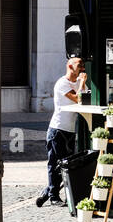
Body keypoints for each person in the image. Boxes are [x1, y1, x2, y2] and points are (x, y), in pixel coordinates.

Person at [36, 56, 87, 207]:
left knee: (66, 165)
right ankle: (53, 197)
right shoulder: (62, 83)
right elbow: (78, 99)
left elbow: (85, 98)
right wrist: (82, 83)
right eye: (80, 65)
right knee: (54, 164)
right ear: (70, 67)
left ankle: (48, 191)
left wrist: (82, 84)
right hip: (58, 129)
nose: (83, 68)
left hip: (70, 129)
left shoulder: (78, 83)